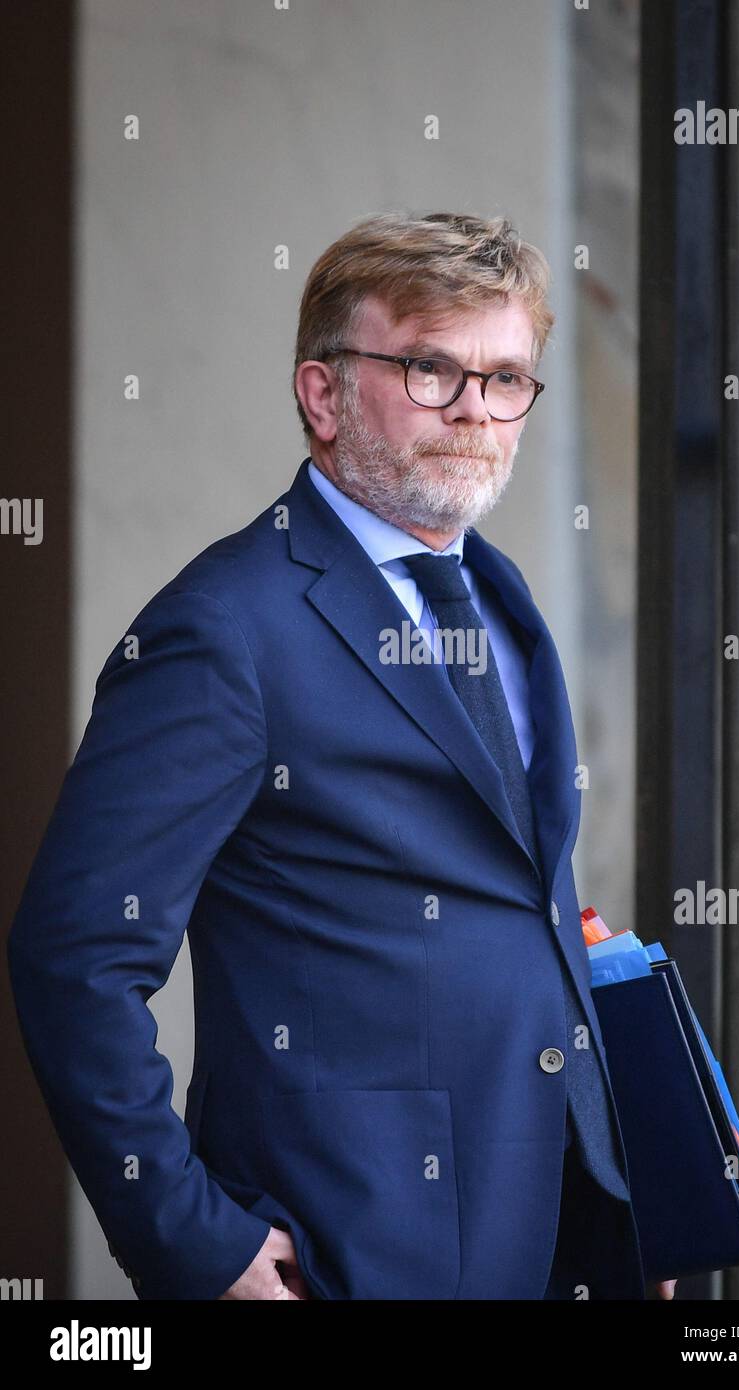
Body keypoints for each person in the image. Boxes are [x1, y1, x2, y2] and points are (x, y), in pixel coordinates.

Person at [8, 210, 675, 1301]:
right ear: (322, 395)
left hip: (561, 1236)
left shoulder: (499, 596)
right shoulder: (222, 628)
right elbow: (73, 955)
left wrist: (623, 1195)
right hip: (352, 1245)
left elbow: (513, 902)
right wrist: (195, 1243)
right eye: (427, 367)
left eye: (505, 377)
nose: (473, 409)